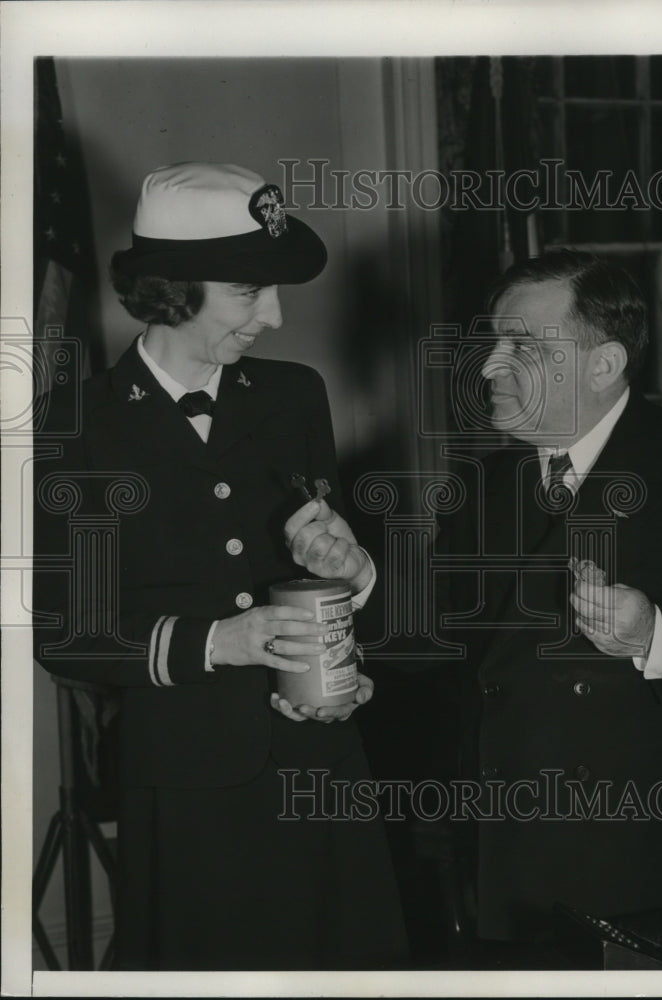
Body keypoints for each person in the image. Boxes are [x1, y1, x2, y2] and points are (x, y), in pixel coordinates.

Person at [34, 161, 407, 971]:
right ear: (173, 288)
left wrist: (350, 579)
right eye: (250, 292)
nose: (273, 317)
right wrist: (219, 643)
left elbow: (326, 574)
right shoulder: (79, 428)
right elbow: (68, 636)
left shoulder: (294, 396)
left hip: (321, 760)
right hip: (189, 784)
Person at [433, 249, 662, 961]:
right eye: (492, 342)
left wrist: (654, 634)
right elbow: (443, 643)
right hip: (510, 855)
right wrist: (360, 579)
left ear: (603, 366)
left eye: (523, 346)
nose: (488, 368)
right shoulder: (491, 482)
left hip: (650, 858)